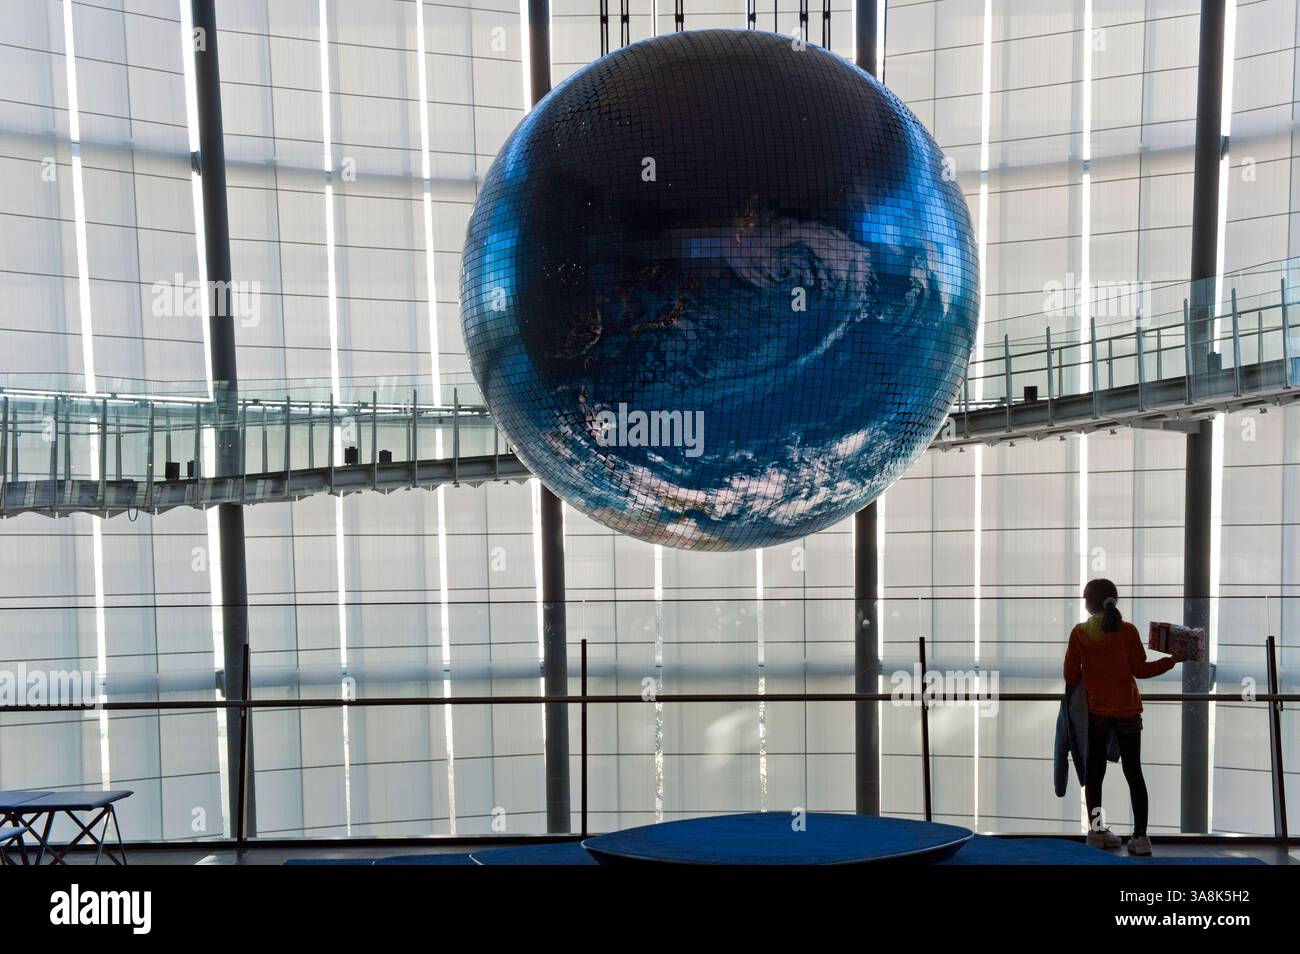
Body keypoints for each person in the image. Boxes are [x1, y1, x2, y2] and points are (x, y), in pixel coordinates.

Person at [1063, 579, 1186, 856]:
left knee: (1094, 775)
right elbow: (1140, 670)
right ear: (1114, 600)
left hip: (1096, 713)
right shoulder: (1128, 631)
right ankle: (1141, 838)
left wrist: (1091, 675)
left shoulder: (1079, 633)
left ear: (1088, 603)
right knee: (1134, 773)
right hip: (1128, 712)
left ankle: (1096, 833)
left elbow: (1070, 676)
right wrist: (1172, 660)